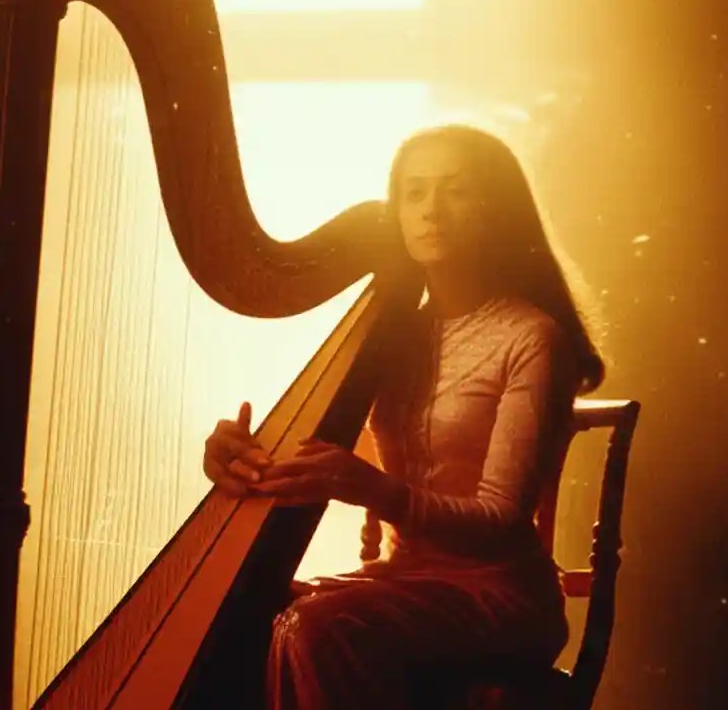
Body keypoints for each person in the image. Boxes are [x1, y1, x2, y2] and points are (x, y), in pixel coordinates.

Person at [202, 124, 605, 709]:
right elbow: (330, 456)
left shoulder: (532, 338)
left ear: (497, 206)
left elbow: (500, 518)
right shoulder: (390, 337)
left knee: (317, 627)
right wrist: (241, 455)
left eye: (455, 190)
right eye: (413, 193)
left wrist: (373, 489)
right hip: (403, 582)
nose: (430, 210)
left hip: (497, 592)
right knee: (239, 608)